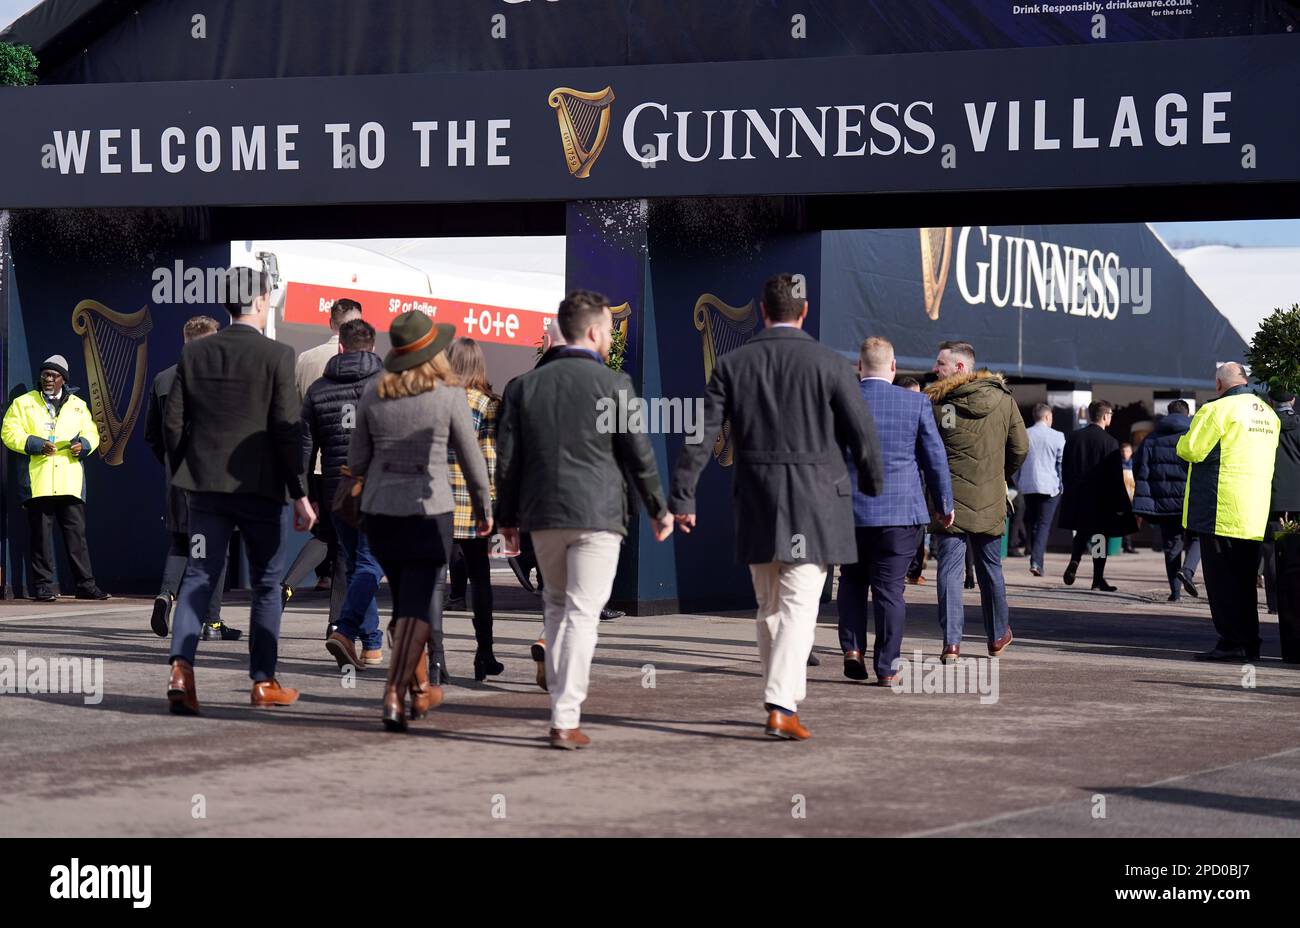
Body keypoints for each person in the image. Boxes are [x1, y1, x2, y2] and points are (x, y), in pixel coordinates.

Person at [672, 274, 883, 741]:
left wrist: (684, 494)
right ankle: (781, 703)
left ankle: (777, 695)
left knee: (769, 605)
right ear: (803, 312)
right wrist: (872, 482)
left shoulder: (731, 364)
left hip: (756, 499)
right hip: (815, 502)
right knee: (798, 606)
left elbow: (701, 433)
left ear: (763, 311)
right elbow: (861, 434)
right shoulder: (830, 364)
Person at [497, 290, 672, 749]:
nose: (609, 336)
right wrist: (657, 508)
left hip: (543, 514)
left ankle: (561, 706)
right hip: (597, 515)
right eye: (609, 329)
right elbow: (639, 455)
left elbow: (508, 461)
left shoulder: (521, 388)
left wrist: (507, 518)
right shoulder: (615, 386)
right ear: (594, 332)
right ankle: (564, 716)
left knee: (556, 606)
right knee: (581, 613)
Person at [161, 268, 317, 714]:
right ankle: (263, 681)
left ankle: (181, 669)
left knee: (198, 575)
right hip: (260, 489)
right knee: (267, 583)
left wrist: (189, 466)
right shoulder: (277, 355)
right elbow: (288, 430)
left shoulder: (195, 354)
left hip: (204, 487)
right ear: (263, 299)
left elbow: (174, 423)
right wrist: (300, 492)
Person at [349, 312, 492, 732]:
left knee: (404, 604)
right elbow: (471, 457)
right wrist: (484, 507)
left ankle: (417, 688)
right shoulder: (448, 394)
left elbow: (356, 460)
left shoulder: (374, 390)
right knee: (417, 604)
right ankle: (395, 692)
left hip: (379, 514)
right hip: (429, 511)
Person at [838, 337, 951, 685]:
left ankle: (852, 649)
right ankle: (887, 668)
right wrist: (945, 503)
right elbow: (935, 460)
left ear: (859, 367)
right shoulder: (915, 403)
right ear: (893, 366)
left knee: (852, 580)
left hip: (849, 511)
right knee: (889, 589)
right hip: (900, 513)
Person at [925, 341, 1028, 664]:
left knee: (949, 572)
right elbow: (1021, 448)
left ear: (959, 368)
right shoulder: (1003, 400)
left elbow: (929, 452)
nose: (934, 369)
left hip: (949, 502)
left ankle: (951, 643)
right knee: (990, 569)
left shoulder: (939, 404)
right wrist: (999, 474)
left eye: (940, 363)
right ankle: (997, 635)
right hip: (990, 497)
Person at [1179, 363, 1280, 661]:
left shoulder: (1216, 410)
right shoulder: (1268, 414)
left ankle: (1230, 642)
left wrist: (1183, 441)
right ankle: (1250, 642)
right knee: (1246, 582)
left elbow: (1191, 450)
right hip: (1254, 509)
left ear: (1219, 385)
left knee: (1222, 583)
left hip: (1220, 507)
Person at [301, 318, 386, 670]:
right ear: (373, 347)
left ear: (340, 347)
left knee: (355, 564)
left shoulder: (319, 389)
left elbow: (305, 446)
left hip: (337, 489)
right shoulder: (388, 386)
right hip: (380, 488)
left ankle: (373, 645)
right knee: (370, 562)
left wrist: (305, 494)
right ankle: (348, 630)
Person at [143, 315, 235, 639]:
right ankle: (211, 623)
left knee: (182, 541)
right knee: (218, 547)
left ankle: (165, 595)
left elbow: (152, 434)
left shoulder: (162, 379)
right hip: (213, 477)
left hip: (176, 477)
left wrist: (171, 462)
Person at [1, 354, 111, 602]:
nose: (48, 379)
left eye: (53, 375)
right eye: (45, 374)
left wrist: (82, 445)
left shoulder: (78, 405)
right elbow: (9, 432)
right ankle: (42, 586)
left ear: (64, 379)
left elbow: (92, 432)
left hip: (69, 480)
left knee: (76, 536)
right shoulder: (23, 403)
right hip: (38, 480)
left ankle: (85, 585)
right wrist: (34, 443)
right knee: (40, 536)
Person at [287, 298, 364, 605]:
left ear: (331, 322)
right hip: (350, 464)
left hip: (316, 462)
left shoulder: (306, 359)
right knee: (346, 543)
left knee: (324, 534)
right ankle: (338, 623)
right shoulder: (364, 359)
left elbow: (296, 414)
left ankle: (288, 583)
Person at [445, 336, 505, 682]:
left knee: (429, 582)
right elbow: (489, 460)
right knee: (480, 579)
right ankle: (484, 653)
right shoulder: (485, 404)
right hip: (470, 505)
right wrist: (491, 505)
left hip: (434, 502)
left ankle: (433, 658)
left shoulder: (433, 398)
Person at [1059, 401, 1136, 592]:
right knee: (1100, 537)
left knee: (1082, 531)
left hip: (1079, 496)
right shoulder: (1110, 442)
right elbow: (1115, 477)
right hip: (1101, 499)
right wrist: (1121, 502)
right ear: (1104, 416)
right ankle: (1097, 578)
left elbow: (1065, 467)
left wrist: (1070, 490)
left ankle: (1075, 560)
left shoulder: (1074, 437)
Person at [1132, 400, 1201, 602]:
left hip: (1163, 500)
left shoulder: (1151, 438)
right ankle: (1187, 571)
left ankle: (1176, 592)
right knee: (1197, 537)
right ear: (1187, 414)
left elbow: (1139, 467)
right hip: (1191, 498)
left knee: (1172, 545)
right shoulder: (1194, 435)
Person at [1017, 403, 1066, 578]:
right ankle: (1036, 562)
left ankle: (1034, 554)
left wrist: (1019, 481)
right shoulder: (1058, 436)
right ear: (1046, 417)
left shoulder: (1024, 434)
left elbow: (1016, 461)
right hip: (1050, 486)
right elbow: (1062, 464)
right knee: (1043, 525)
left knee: (1033, 522)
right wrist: (1062, 485)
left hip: (1028, 485)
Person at [1262, 389, 1299, 615]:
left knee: (1271, 552)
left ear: (1270, 401)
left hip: (1271, 497)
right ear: (1293, 400)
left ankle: (1274, 602)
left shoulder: (1265, 427)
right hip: (1297, 500)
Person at [1120, 442, 1138, 553]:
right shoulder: (1117, 465)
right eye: (1122, 451)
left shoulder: (1134, 465)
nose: (1124, 453)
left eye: (1127, 451)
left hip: (1132, 497)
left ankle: (1128, 545)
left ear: (1131, 452)